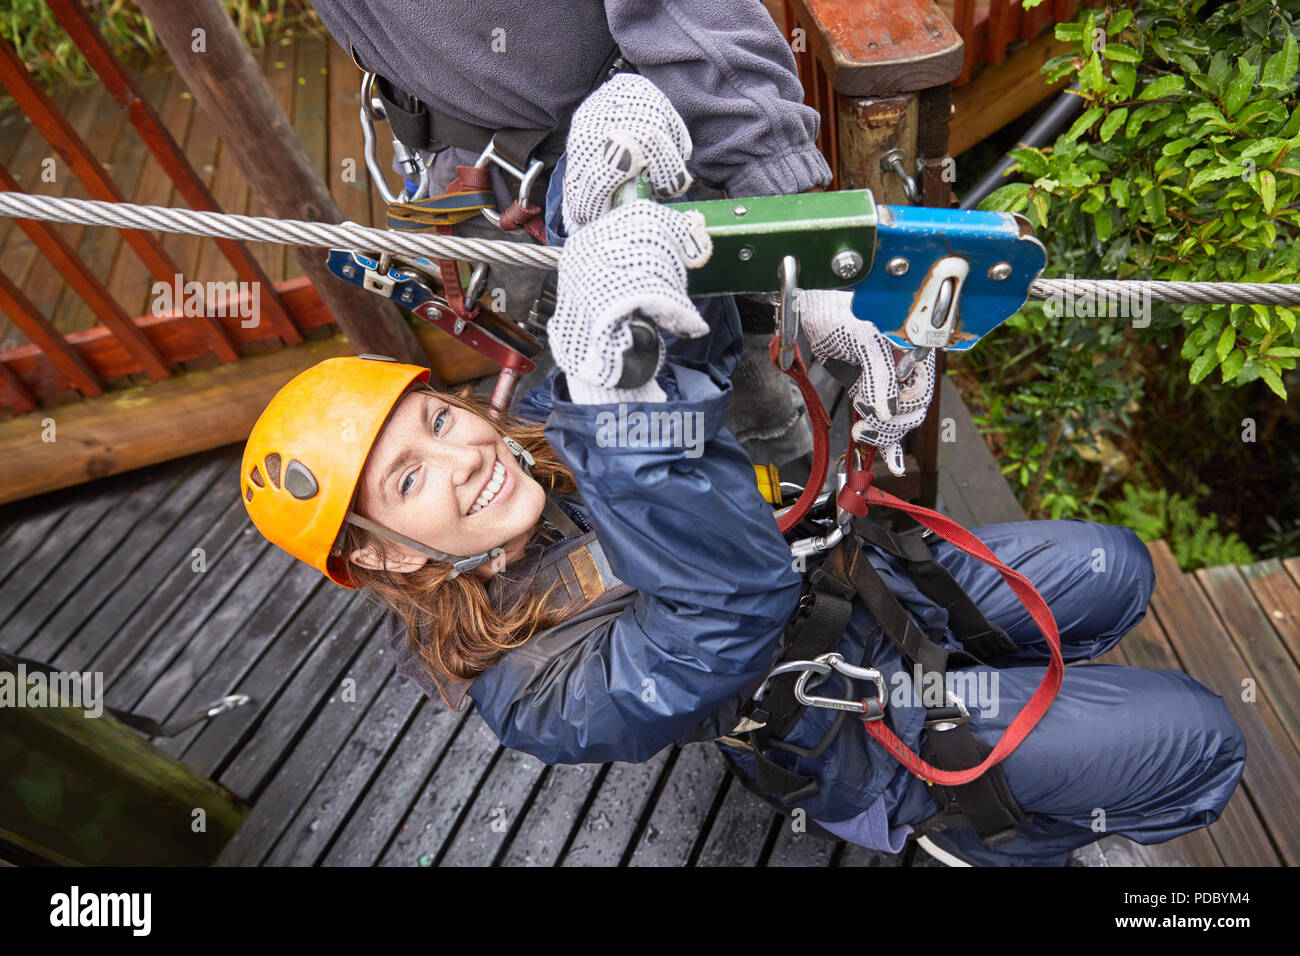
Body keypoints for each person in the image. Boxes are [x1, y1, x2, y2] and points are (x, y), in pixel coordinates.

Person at [241, 76, 1245, 866]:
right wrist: (615, 394)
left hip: (873, 586)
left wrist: (637, 234)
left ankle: (1026, 712)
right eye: (408, 481)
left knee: (1122, 567)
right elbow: (725, 607)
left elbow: (695, 368)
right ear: (383, 554)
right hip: (857, 719)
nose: (462, 458)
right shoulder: (534, 694)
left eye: (434, 421)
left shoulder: (554, 435)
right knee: (1203, 741)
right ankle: (992, 831)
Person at [309, 0, 839, 469]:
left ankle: (786, 490)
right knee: (610, 385)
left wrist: (794, 214)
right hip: (476, 183)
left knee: (734, 383)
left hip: (638, 158)